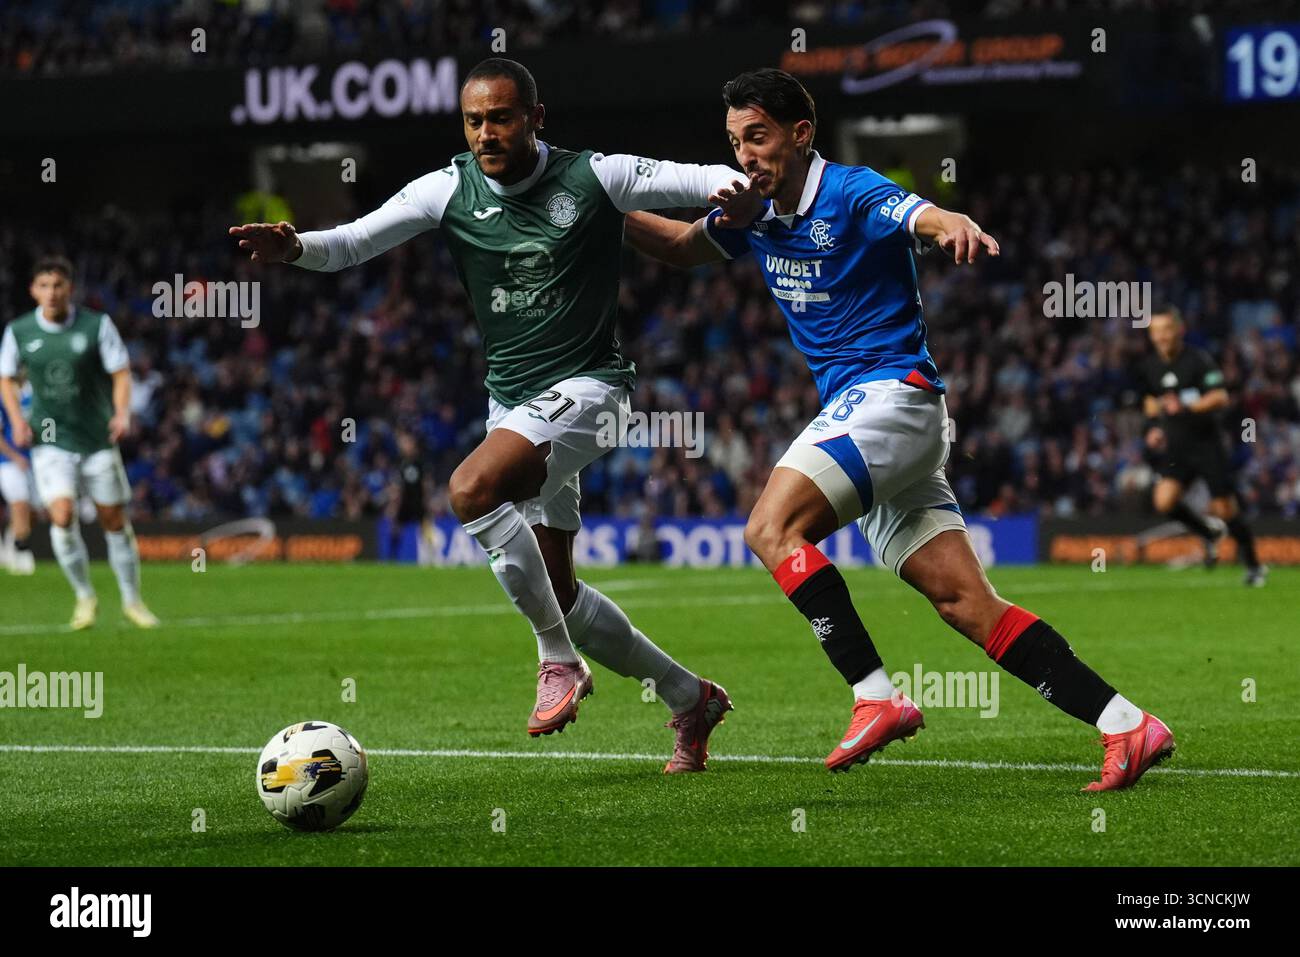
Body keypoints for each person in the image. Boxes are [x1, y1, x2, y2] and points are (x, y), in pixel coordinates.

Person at [624, 68, 1174, 790]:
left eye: (756, 136)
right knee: (965, 603)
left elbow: (918, 214)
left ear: (799, 133)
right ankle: (1126, 724)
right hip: (886, 424)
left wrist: (953, 224)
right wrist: (600, 204)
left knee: (769, 528)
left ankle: (875, 696)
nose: (745, 154)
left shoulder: (850, 191)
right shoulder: (750, 213)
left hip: (891, 396)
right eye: (733, 141)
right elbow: (678, 246)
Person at [230, 58, 757, 772]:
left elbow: (689, 178)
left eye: (502, 117)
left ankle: (556, 661)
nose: (487, 133)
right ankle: (688, 695)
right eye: (475, 120)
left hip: (594, 391)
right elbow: (356, 240)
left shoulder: (593, 176)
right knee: (560, 593)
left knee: (472, 490)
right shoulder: (448, 188)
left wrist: (746, 184)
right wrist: (295, 248)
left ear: (536, 118)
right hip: (513, 403)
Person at [0, 255, 160, 628]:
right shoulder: (20, 331)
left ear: (69, 289)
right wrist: (18, 420)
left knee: (113, 520)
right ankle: (85, 597)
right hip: (50, 437)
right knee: (62, 515)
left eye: (58, 285)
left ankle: (132, 600)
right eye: (44, 286)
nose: (51, 293)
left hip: (96, 437)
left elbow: (120, 374)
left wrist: (121, 413)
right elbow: (5, 379)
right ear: (33, 291)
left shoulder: (96, 326)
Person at [1141, 307, 1265, 586]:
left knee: (1224, 508)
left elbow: (1220, 396)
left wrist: (1185, 406)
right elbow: (1150, 403)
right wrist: (1153, 429)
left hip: (1206, 444)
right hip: (1176, 449)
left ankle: (1254, 564)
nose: (1161, 337)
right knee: (1164, 500)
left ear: (1178, 330)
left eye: (1166, 330)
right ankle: (1209, 533)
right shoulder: (1150, 366)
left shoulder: (1197, 361)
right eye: (1155, 331)